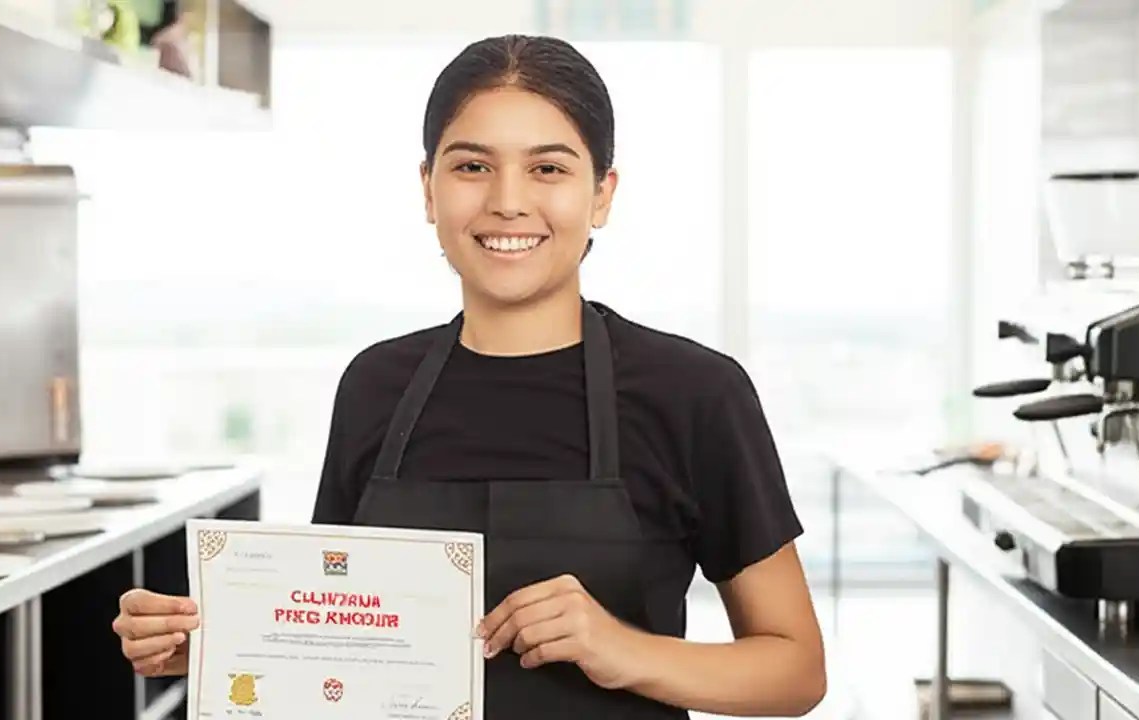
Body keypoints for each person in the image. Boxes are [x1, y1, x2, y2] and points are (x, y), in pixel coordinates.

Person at [112, 34, 827, 718]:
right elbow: (341, 638)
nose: (507, 201)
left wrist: (626, 650)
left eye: (547, 167)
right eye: (471, 166)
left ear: (601, 194)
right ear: (429, 190)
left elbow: (796, 671)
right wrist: (213, 648)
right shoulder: (375, 386)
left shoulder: (695, 393)